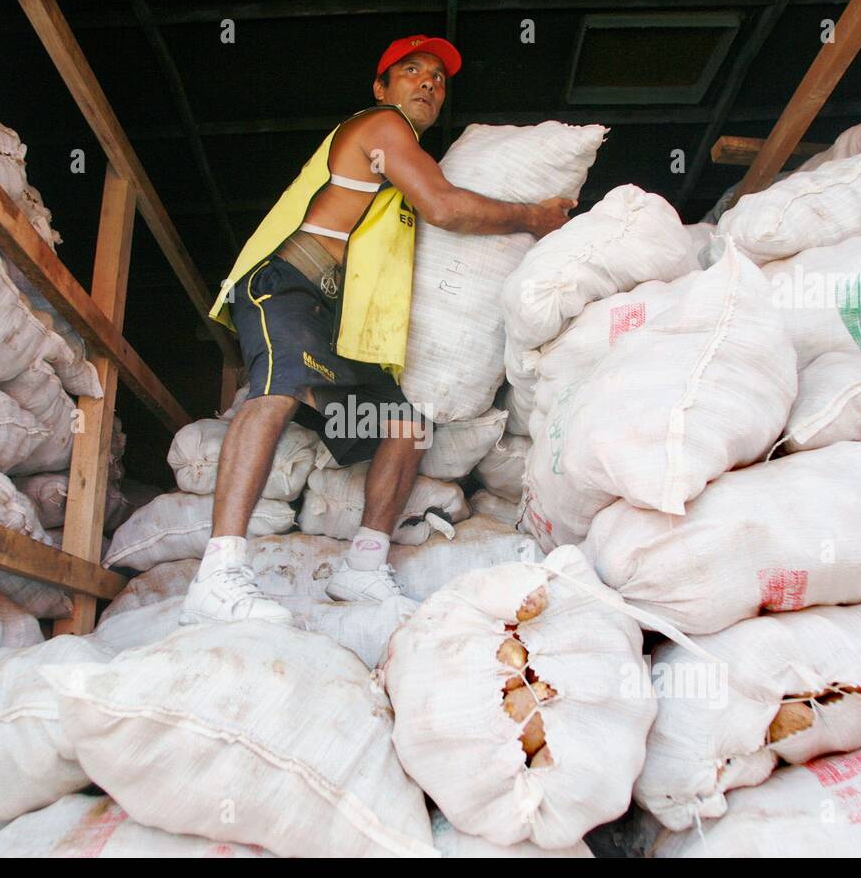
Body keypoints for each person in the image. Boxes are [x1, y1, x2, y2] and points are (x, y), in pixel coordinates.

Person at [181, 34, 576, 625]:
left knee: (406, 423)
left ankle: (362, 569)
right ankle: (217, 575)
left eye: (439, 79)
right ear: (381, 87)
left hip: (334, 324)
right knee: (275, 392)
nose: (428, 84)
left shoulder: (400, 173)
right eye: (412, 71)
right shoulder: (381, 127)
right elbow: (445, 206)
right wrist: (533, 218)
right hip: (285, 286)